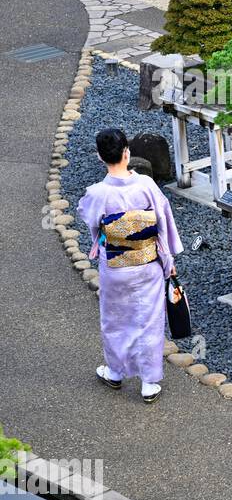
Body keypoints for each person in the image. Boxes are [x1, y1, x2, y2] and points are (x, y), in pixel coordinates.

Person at [77, 129, 183, 404]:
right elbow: (163, 221)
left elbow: (90, 221)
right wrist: (168, 260)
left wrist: (107, 238)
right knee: (149, 320)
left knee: (115, 320)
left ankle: (114, 372)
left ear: (100, 156)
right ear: (127, 152)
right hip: (147, 263)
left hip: (115, 266)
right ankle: (149, 383)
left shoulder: (96, 193)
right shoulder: (146, 185)